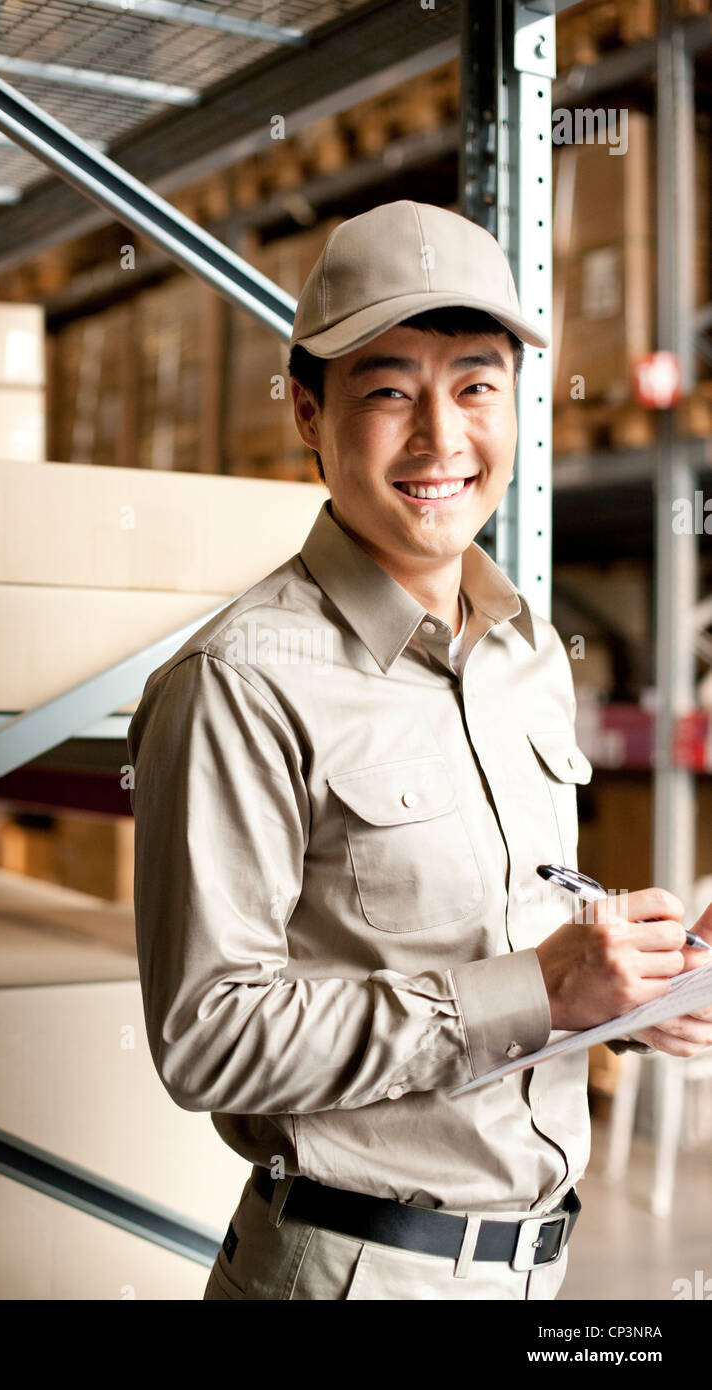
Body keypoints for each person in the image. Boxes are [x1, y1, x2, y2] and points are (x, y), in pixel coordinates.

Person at [126, 200, 712, 1300]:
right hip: (353, 1273)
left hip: (535, 1269)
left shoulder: (526, 653)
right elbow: (206, 1037)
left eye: (475, 386)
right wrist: (536, 988)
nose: (442, 439)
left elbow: (503, 942)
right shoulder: (239, 682)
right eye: (390, 389)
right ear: (307, 410)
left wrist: (634, 989)